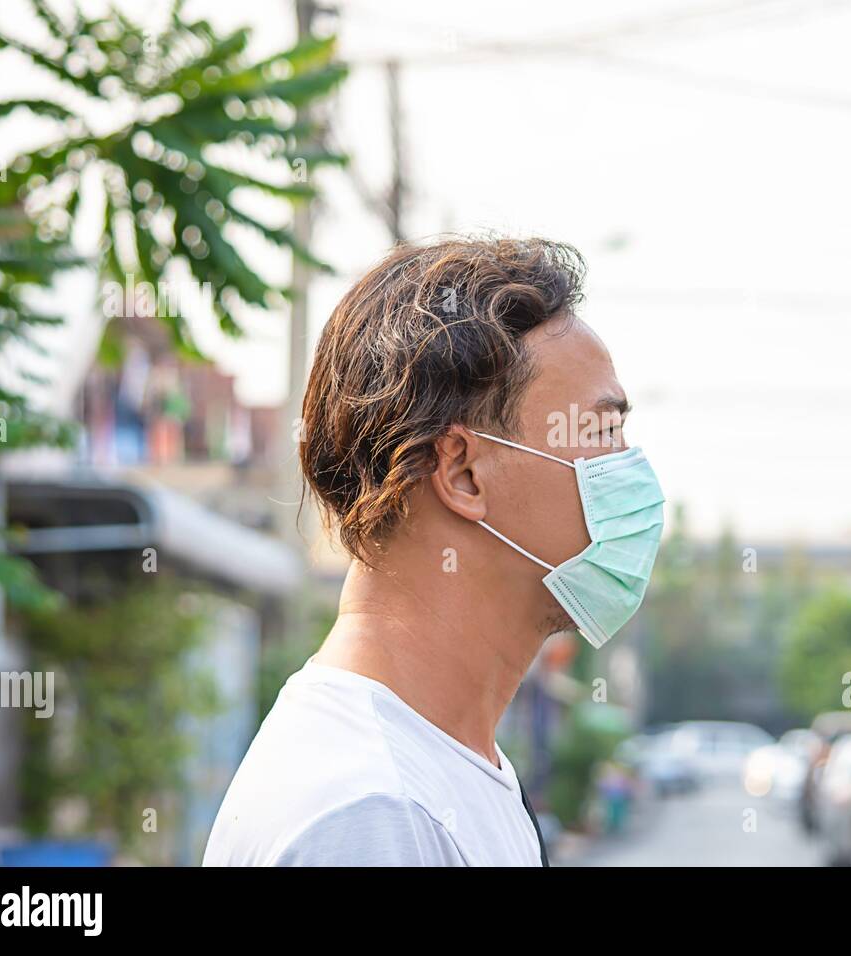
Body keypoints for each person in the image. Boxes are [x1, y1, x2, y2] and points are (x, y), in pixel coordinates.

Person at [203, 237, 664, 866]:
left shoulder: (443, 768)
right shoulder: (373, 813)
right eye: (603, 431)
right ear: (464, 473)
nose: (630, 471)